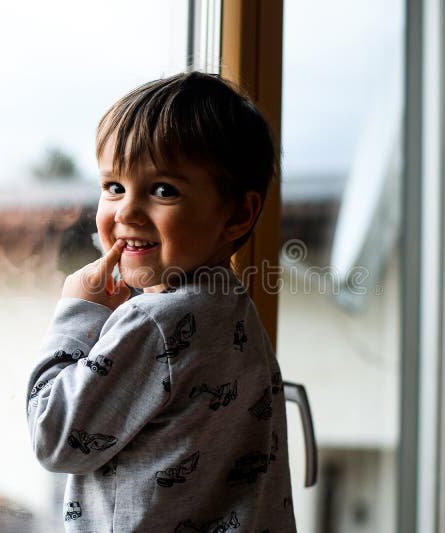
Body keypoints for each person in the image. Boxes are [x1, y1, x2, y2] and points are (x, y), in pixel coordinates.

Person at [26, 71, 297, 532]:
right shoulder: (229, 302)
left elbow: (55, 436)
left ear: (237, 214)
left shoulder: (154, 322)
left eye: (163, 190)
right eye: (114, 186)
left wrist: (79, 313)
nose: (127, 211)